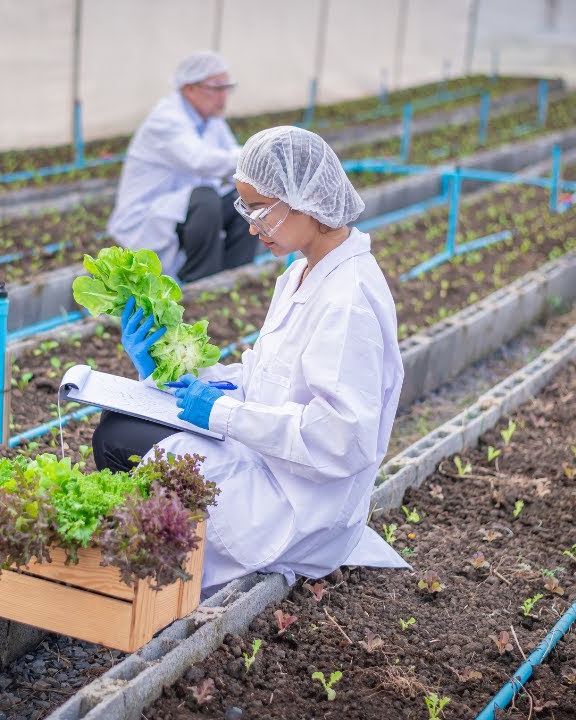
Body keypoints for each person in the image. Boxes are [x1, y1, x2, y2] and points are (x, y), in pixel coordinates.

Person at [93, 125, 409, 594]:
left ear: (306, 200)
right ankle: (155, 567)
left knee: (117, 440)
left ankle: (157, 583)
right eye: (247, 208)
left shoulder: (348, 300)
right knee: (118, 424)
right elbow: (263, 374)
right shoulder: (304, 270)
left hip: (299, 506)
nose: (250, 226)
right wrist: (168, 369)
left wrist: (223, 413)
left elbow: (341, 439)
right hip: (271, 463)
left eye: (261, 210)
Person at [106, 50, 259, 283]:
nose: (223, 96)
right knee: (205, 200)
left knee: (247, 200)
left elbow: (231, 157)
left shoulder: (212, 120)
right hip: (148, 215)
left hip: (181, 209)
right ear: (190, 88)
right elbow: (200, 160)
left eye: (227, 88)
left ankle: (232, 278)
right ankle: (200, 283)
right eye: (217, 88)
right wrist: (256, 154)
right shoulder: (165, 119)